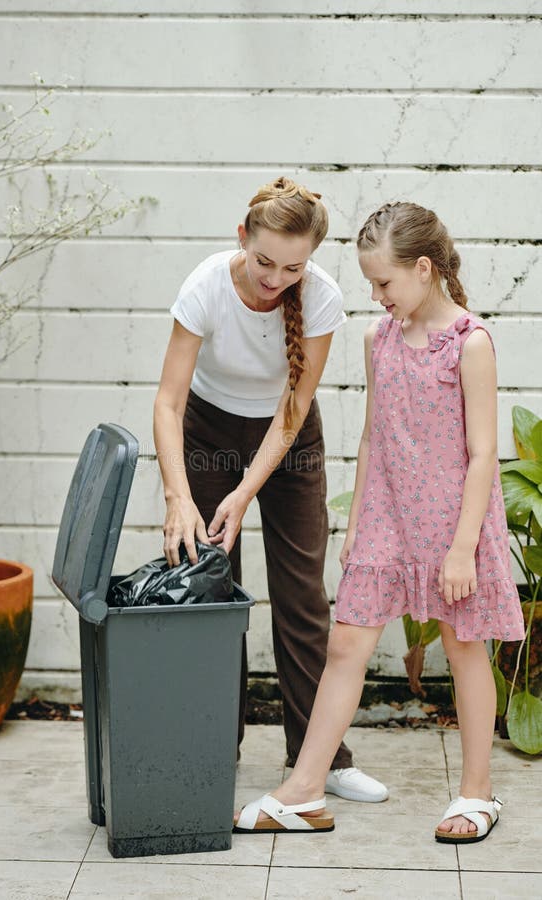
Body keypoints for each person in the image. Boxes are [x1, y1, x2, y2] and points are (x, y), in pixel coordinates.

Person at [234, 201, 525, 842]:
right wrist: (361, 519)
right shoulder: (378, 339)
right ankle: (305, 791)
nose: (376, 296)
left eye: (384, 283)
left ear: (424, 270)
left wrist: (462, 548)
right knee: (346, 643)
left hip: (456, 523)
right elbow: (372, 437)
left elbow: (482, 455)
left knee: (463, 646)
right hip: (389, 517)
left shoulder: (470, 345)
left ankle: (477, 794)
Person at [153, 176, 388, 803]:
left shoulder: (322, 298)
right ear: (242, 239)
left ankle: (322, 759)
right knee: (208, 592)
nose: (275, 277)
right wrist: (180, 496)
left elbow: (291, 411)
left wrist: (247, 490)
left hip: (290, 446)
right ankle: (211, 746)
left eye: (293, 266)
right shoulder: (206, 285)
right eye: (263, 262)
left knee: (302, 597)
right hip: (206, 437)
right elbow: (169, 401)